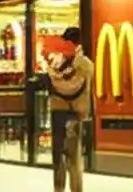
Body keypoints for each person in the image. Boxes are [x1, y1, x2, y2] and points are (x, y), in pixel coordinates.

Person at [46, 26, 95, 192]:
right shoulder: (86, 64)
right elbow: (86, 87)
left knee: (58, 155)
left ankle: (58, 189)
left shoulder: (55, 64)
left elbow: (51, 83)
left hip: (57, 111)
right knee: (74, 158)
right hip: (76, 112)